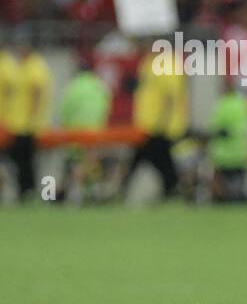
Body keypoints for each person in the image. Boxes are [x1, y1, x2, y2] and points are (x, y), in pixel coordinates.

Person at [122, 44, 187, 200]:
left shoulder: (167, 63)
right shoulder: (149, 62)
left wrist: (162, 123)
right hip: (147, 125)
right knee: (159, 161)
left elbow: (169, 97)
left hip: (162, 126)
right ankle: (172, 190)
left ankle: (123, 189)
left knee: (149, 159)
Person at [0, 38, 52, 200]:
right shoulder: (22, 66)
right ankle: (26, 192)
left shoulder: (33, 66)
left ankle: (29, 192)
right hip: (18, 123)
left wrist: (32, 116)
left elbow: (35, 92)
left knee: (25, 162)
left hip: (26, 124)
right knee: (21, 162)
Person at [59, 66, 111, 203]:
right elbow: (106, 107)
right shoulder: (99, 86)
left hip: (76, 132)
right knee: (92, 161)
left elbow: (65, 110)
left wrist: (66, 128)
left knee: (77, 163)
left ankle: (78, 195)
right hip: (94, 131)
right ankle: (95, 192)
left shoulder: (73, 87)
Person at [209, 76, 247, 203]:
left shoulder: (222, 104)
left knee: (223, 190)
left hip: (224, 156)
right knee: (238, 189)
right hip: (241, 155)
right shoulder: (243, 104)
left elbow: (216, 128)